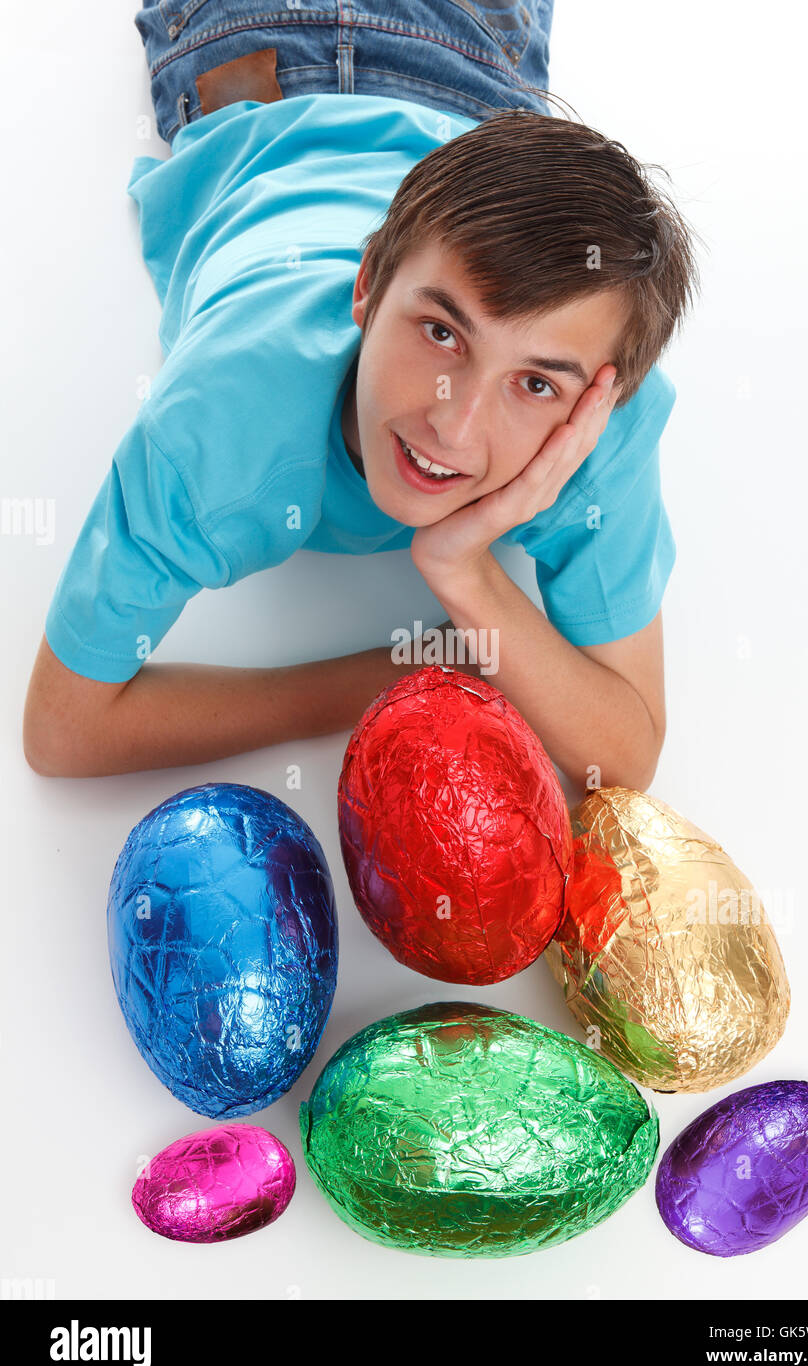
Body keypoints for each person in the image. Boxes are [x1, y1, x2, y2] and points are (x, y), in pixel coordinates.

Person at [23, 0, 700, 799]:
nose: (454, 424)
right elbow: (62, 731)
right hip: (269, 51)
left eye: (533, 383)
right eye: (442, 332)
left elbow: (620, 758)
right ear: (367, 284)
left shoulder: (598, 422)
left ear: (594, 397)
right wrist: (403, 668)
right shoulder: (222, 418)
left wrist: (466, 577)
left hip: (465, 76)